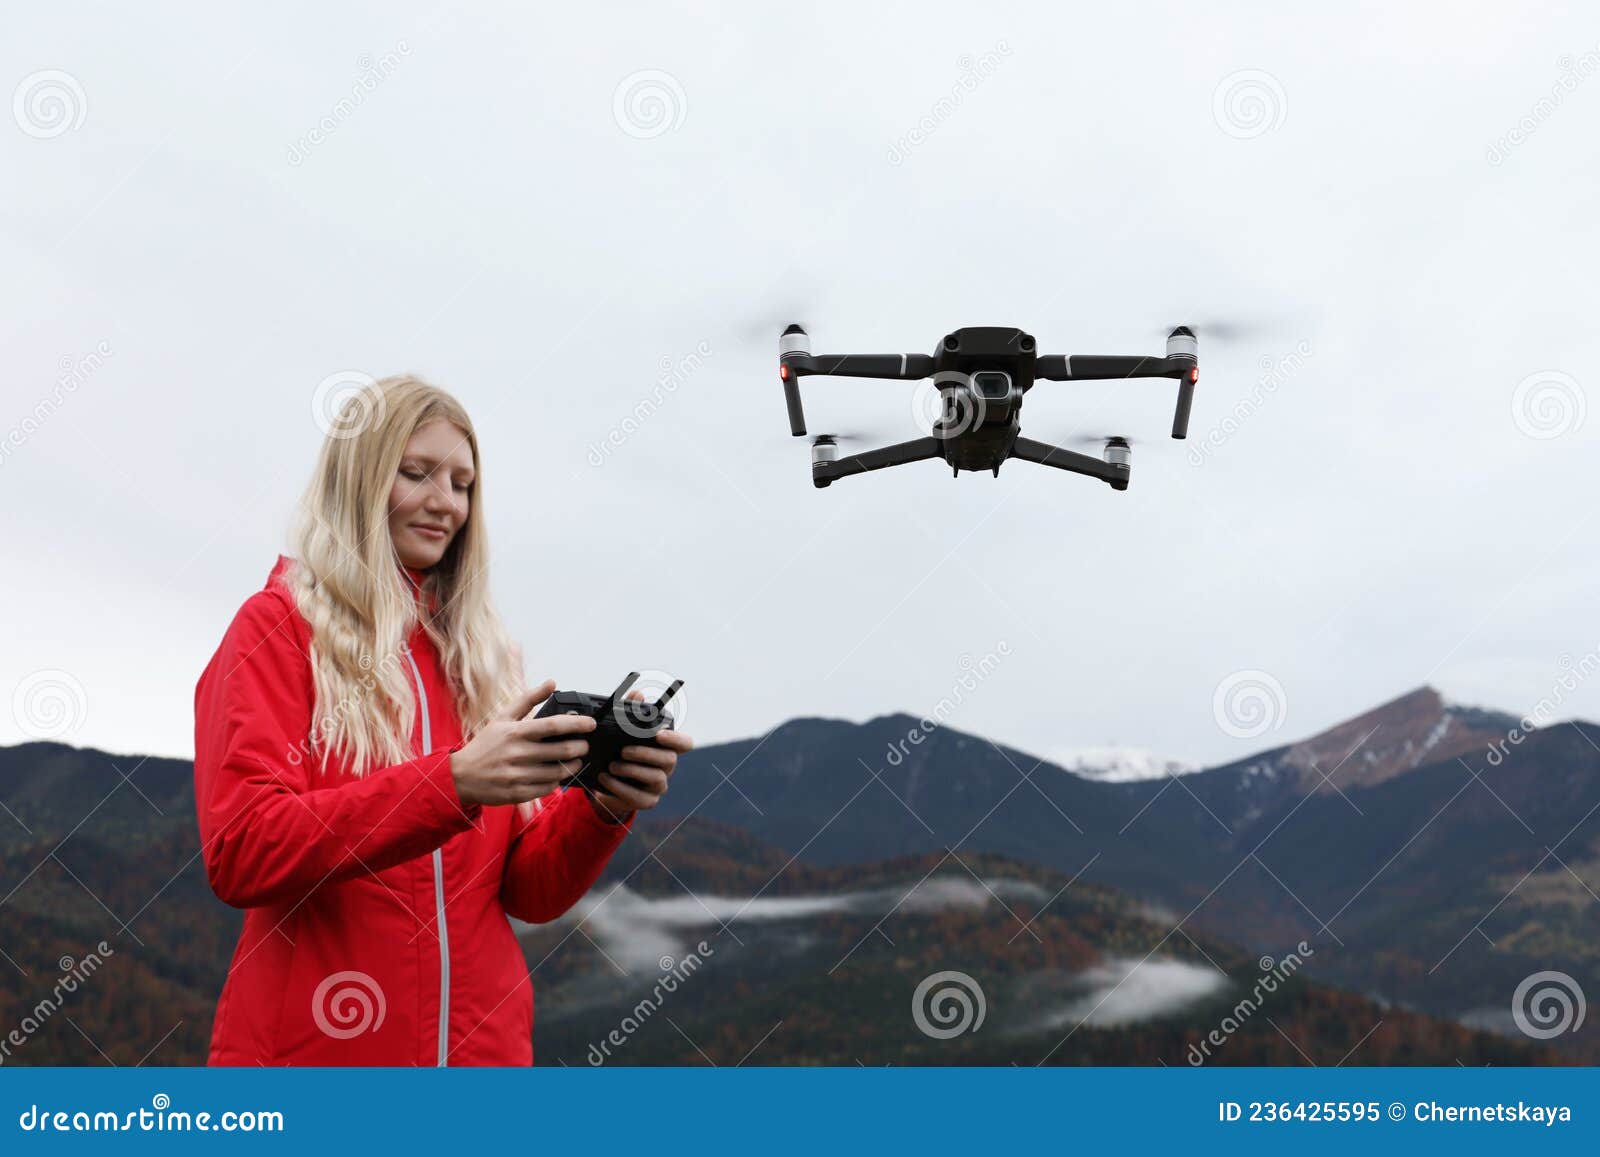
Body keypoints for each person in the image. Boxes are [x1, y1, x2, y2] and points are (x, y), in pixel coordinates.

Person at [192, 373, 692, 1065]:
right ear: (360, 479)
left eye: (462, 483)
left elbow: (528, 891)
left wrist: (601, 805)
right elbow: (242, 850)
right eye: (417, 473)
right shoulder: (276, 628)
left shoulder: (482, 657)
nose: (444, 503)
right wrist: (451, 782)